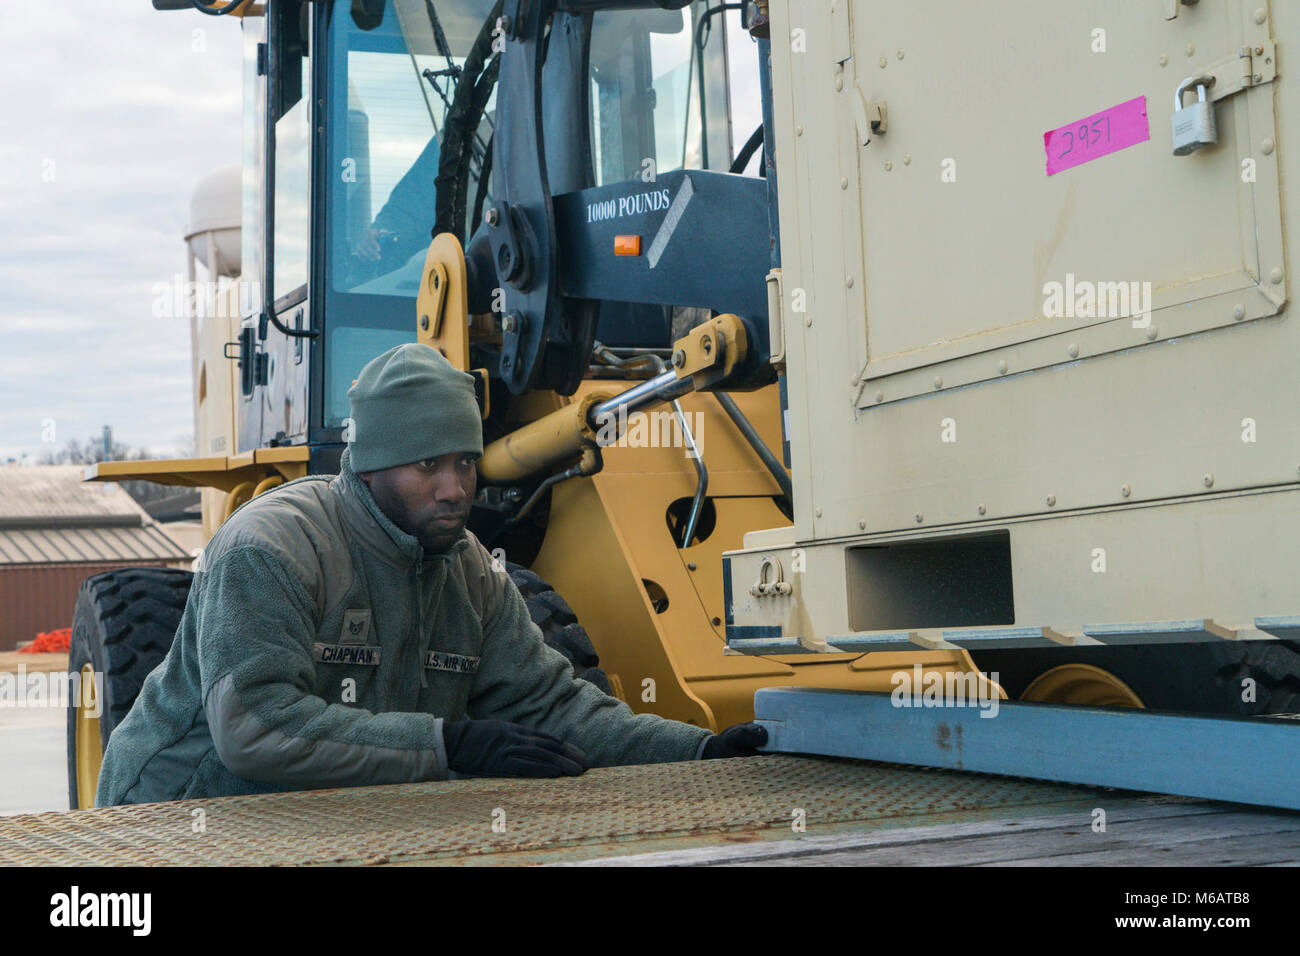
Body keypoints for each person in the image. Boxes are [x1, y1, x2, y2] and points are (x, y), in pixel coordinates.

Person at [96, 343, 765, 805]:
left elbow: (549, 707)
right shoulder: (271, 547)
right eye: (427, 466)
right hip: (182, 813)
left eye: (466, 463)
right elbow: (256, 728)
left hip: (314, 813)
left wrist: (700, 752)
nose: (454, 489)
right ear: (371, 466)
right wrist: (450, 743)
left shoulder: (471, 573)